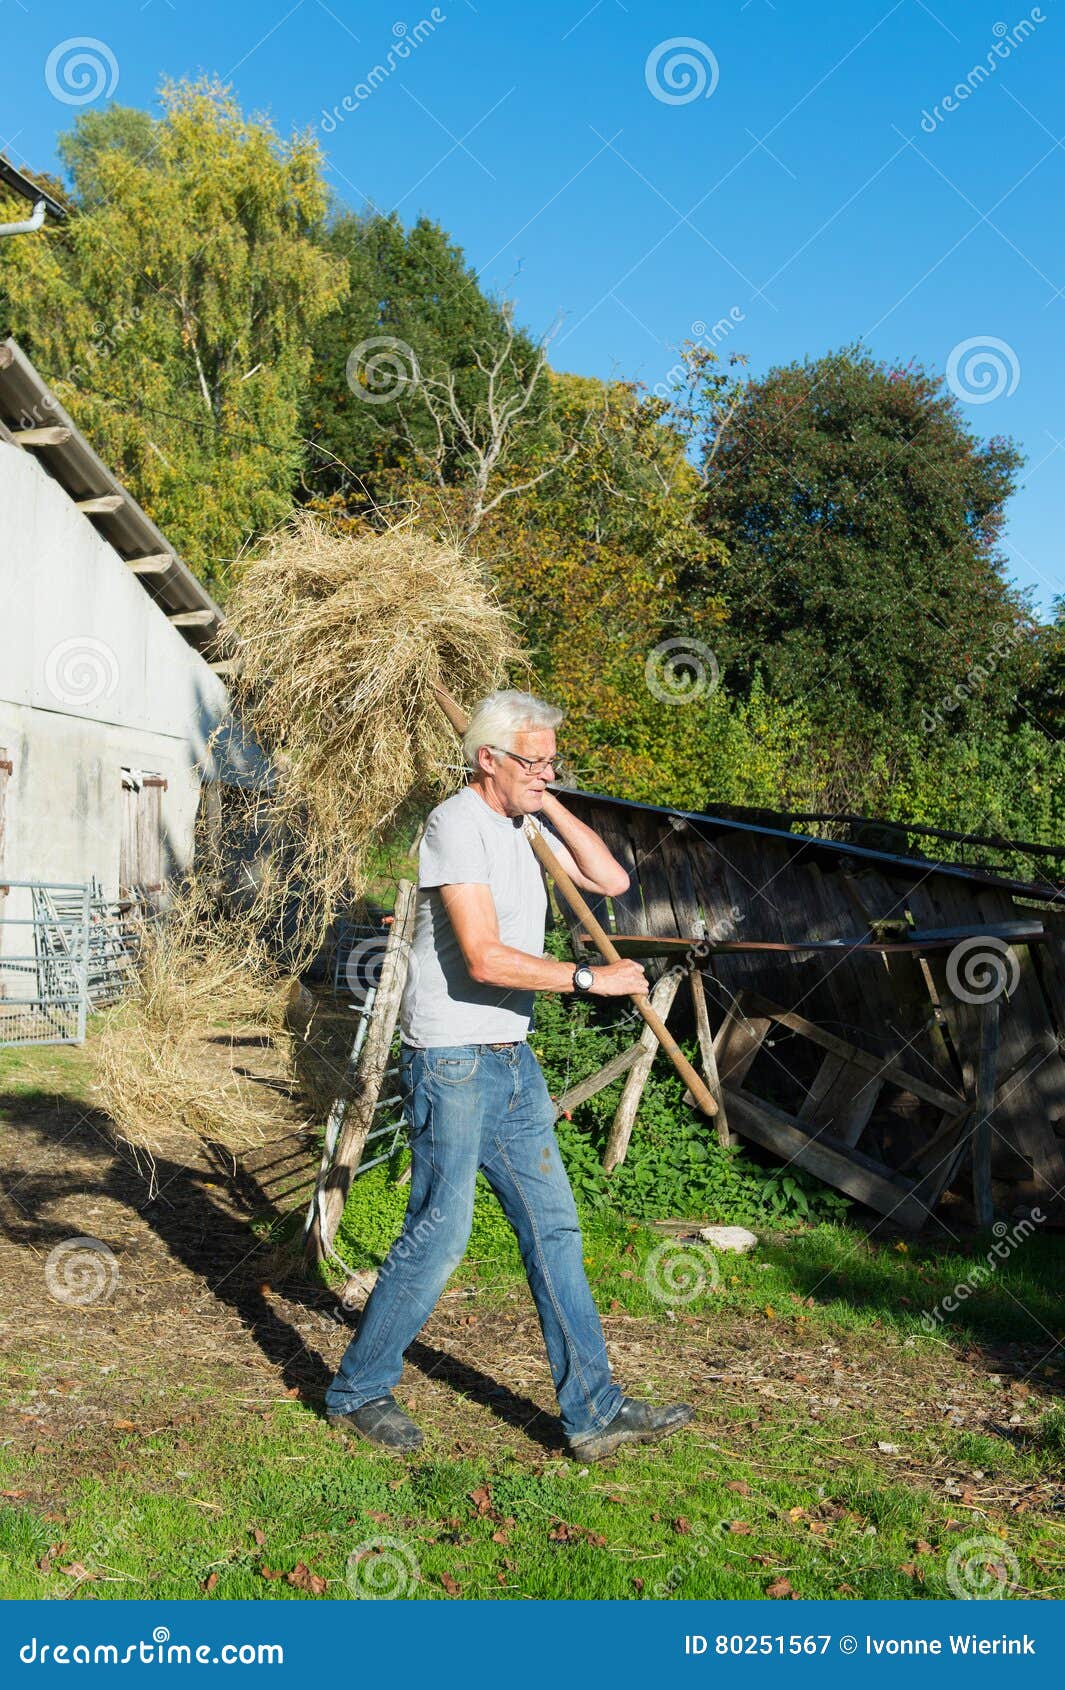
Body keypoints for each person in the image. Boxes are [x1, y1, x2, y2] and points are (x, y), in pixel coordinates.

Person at [324, 689, 694, 1461]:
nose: (547, 771)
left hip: (510, 1058)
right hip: (454, 1060)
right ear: (486, 758)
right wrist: (590, 980)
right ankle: (358, 1391)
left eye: (554, 760)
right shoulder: (454, 827)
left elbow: (610, 882)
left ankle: (594, 1410)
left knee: (554, 1228)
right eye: (533, 760)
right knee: (440, 1233)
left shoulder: (522, 824)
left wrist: (546, 801)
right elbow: (487, 958)